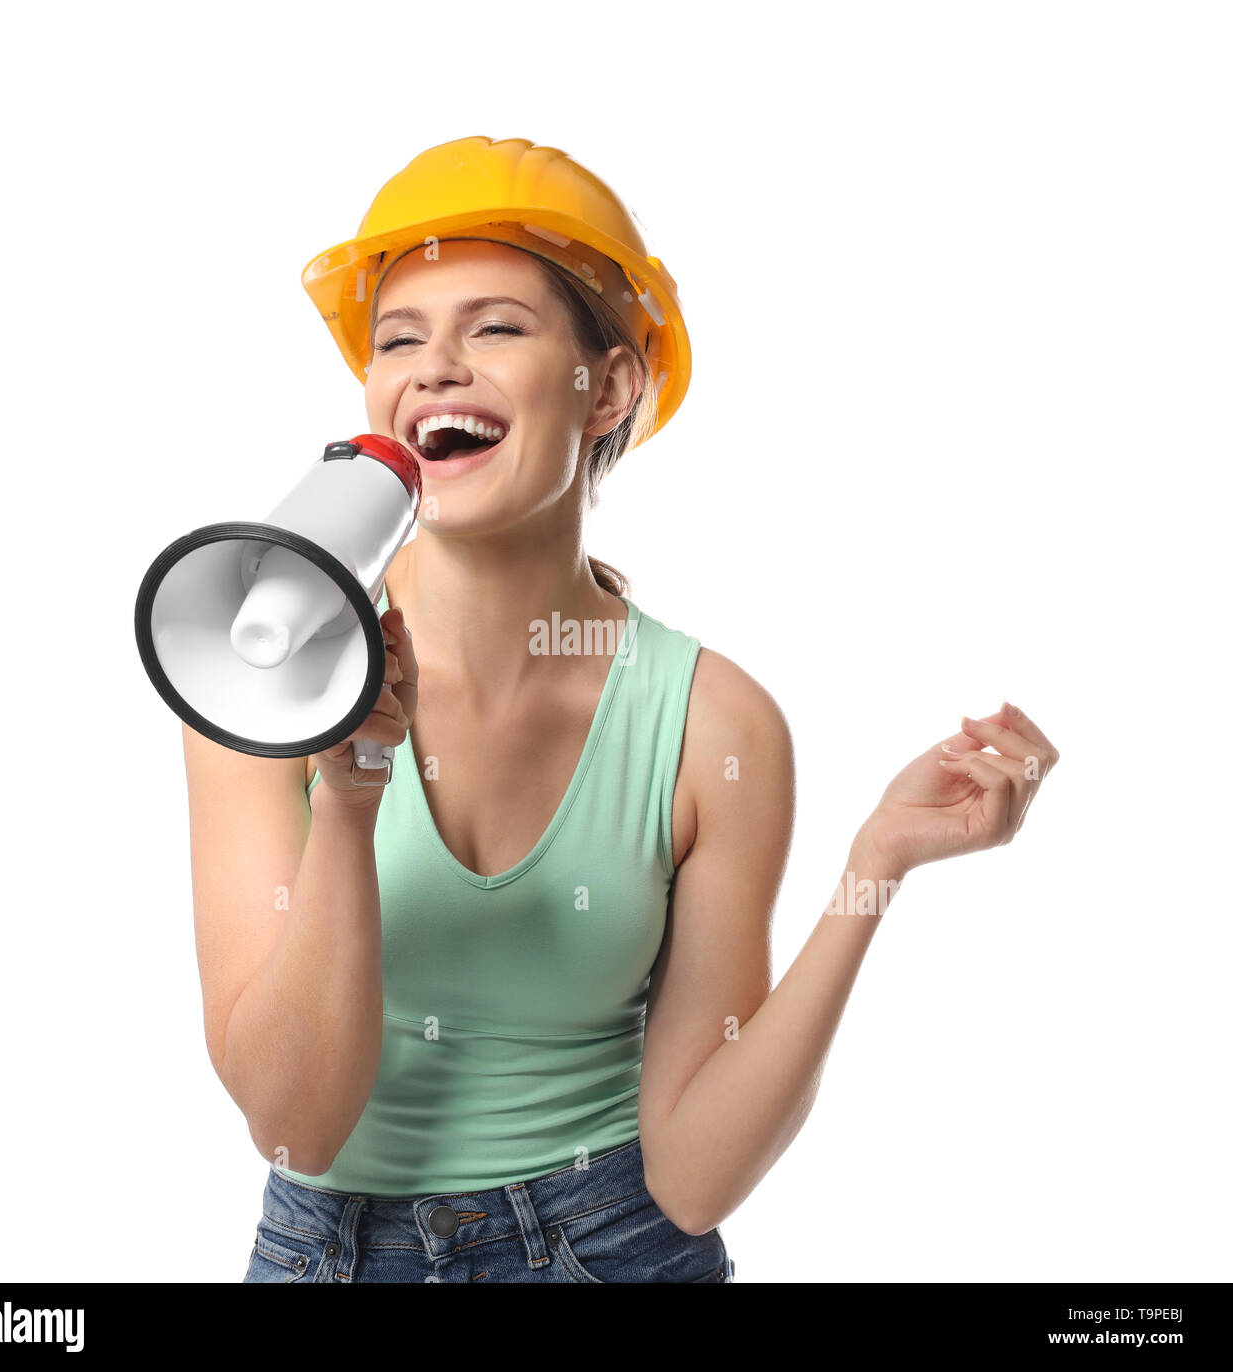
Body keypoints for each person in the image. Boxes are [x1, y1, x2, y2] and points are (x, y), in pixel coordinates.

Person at [181, 136, 1059, 1283]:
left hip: (610, 1248)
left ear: (612, 385)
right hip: (323, 1252)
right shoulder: (259, 669)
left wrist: (873, 867)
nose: (435, 365)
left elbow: (693, 1175)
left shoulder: (716, 727)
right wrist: (348, 795)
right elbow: (294, 1124)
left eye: (494, 326)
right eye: (399, 338)